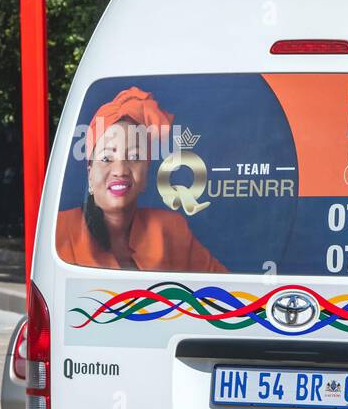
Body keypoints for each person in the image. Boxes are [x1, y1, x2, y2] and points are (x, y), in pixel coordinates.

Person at [56, 87, 225, 272]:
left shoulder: (172, 230)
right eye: (106, 158)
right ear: (90, 172)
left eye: (135, 157)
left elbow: (224, 291)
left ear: (145, 173)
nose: (120, 171)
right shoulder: (60, 231)